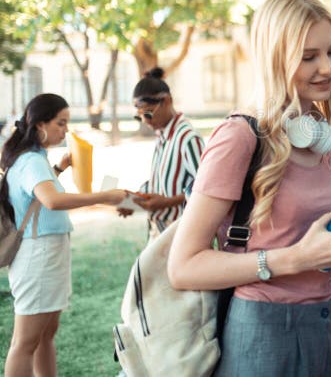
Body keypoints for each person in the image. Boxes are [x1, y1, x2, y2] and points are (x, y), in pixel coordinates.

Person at [167, 0, 331, 376]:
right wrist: (295, 259)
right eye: (308, 57)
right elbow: (183, 266)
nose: (328, 67)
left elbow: (304, 238)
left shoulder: (319, 134)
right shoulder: (239, 137)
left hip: (326, 322)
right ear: (275, 59)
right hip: (265, 329)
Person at [2, 93, 125, 377]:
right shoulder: (31, 160)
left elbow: (38, 197)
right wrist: (105, 196)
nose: (65, 130)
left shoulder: (35, 159)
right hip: (38, 256)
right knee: (26, 341)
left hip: (47, 252)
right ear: (40, 124)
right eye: (61, 123)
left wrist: (59, 168)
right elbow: (52, 200)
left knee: (46, 335)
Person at [118, 67, 205, 241]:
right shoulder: (162, 135)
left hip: (180, 236)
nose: (145, 121)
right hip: (158, 231)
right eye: (139, 116)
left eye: (148, 114)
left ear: (167, 101)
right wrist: (134, 201)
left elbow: (205, 190)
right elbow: (161, 181)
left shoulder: (187, 138)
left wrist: (167, 202)